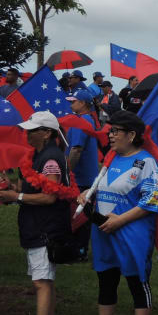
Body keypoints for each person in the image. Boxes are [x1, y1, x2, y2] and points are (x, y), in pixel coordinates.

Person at [77, 110, 158, 315]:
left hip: (131, 233)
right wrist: (86, 194)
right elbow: (101, 187)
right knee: (106, 281)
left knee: (137, 283)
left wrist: (120, 220)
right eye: (109, 130)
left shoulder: (146, 162)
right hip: (104, 232)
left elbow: (152, 201)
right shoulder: (111, 158)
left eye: (115, 131)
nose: (110, 135)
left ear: (132, 135)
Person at [0, 111, 74, 315]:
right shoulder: (38, 156)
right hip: (37, 226)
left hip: (46, 228)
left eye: (32, 130)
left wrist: (17, 196)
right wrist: (11, 187)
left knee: (41, 282)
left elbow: (50, 196)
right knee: (45, 281)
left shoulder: (50, 158)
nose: (27, 134)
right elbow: (31, 187)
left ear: (47, 133)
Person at [66, 89, 102, 261]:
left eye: (73, 101)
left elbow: (76, 149)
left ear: (83, 103)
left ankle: (79, 251)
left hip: (81, 179)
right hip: (87, 177)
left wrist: (67, 173)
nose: (71, 104)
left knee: (80, 215)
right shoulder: (87, 120)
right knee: (82, 214)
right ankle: (79, 249)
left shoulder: (81, 121)